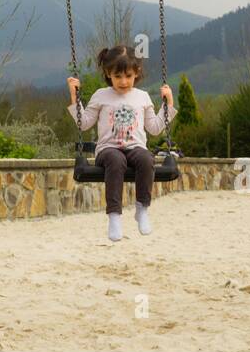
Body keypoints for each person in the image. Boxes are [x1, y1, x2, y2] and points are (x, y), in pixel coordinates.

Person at [67, 45, 175, 241]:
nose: (123, 81)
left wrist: (168, 105)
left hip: (135, 148)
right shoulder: (101, 95)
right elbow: (85, 123)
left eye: (128, 76)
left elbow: (155, 128)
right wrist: (75, 97)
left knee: (146, 159)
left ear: (137, 72)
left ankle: (142, 209)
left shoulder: (142, 97)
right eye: (118, 76)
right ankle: (114, 216)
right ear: (108, 73)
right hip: (108, 150)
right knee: (116, 160)